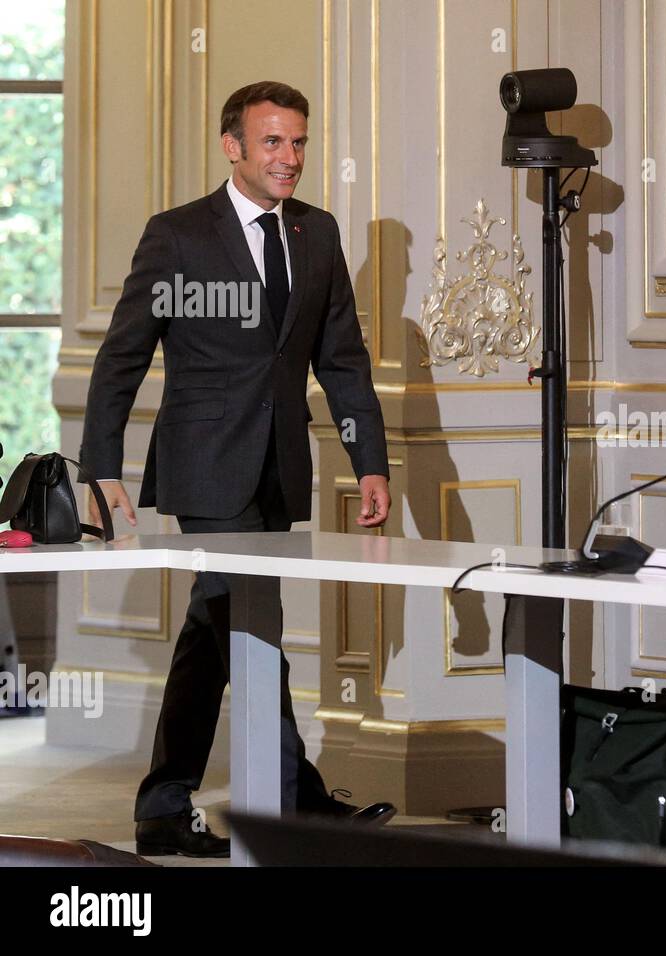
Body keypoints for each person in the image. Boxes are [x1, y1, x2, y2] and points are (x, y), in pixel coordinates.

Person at [81, 81, 396, 858]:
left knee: (217, 624)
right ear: (234, 147)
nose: (289, 158)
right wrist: (100, 465)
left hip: (279, 466)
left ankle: (163, 805)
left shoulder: (317, 235)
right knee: (250, 621)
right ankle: (296, 804)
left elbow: (343, 362)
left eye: (297, 143)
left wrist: (371, 462)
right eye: (272, 143)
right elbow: (123, 355)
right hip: (204, 464)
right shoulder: (178, 236)